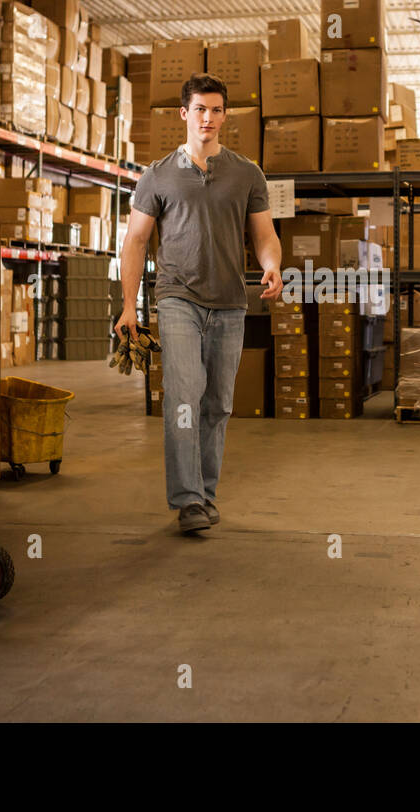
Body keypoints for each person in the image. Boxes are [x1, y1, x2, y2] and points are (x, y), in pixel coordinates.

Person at [116, 73, 283, 534]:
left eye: (216, 110)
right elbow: (135, 240)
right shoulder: (158, 175)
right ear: (184, 115)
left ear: (224, 116)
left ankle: (207, 495)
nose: (208, 118)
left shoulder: (247, 173)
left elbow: (265, 235)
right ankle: (188, 500)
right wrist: (129, 306)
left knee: (218, 404)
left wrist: (273, 265)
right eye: (200, 109)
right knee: (184, 396)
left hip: (231, 301)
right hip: (177, 298)